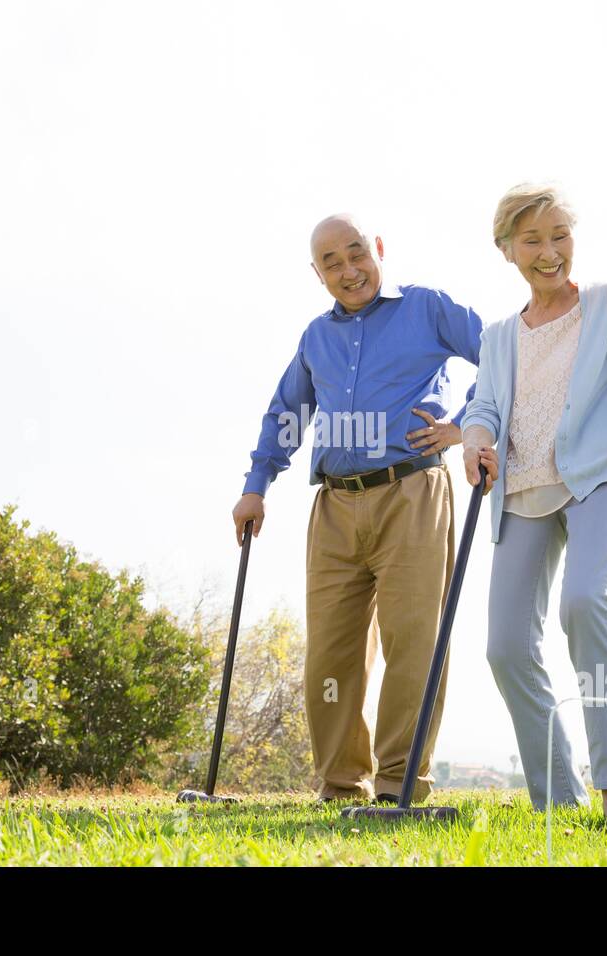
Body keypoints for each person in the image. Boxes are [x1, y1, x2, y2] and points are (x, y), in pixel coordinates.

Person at [231, 213, 483, 803]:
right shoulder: (316, 337)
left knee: (414, 641)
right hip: (334, 507)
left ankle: (400, 784)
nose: (349, 271)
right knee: (330, 653)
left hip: (412, 493)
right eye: (332, 263)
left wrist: (465, 425)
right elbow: (285, 413)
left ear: (379, 248)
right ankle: (342, 787)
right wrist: (256, 485)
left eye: (356, 254)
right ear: (317, 275)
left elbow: (503, 353)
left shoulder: (428, 308)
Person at [460, 182, 607, 833]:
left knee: (585, 602)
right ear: (507, 251)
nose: (550, 252)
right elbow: (484, 409)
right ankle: (559, 798)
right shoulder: (498, 337)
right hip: (523, 490)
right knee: (505, 648)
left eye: (560, 236)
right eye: (533, 240)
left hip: (605, 476)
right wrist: (475, 440)